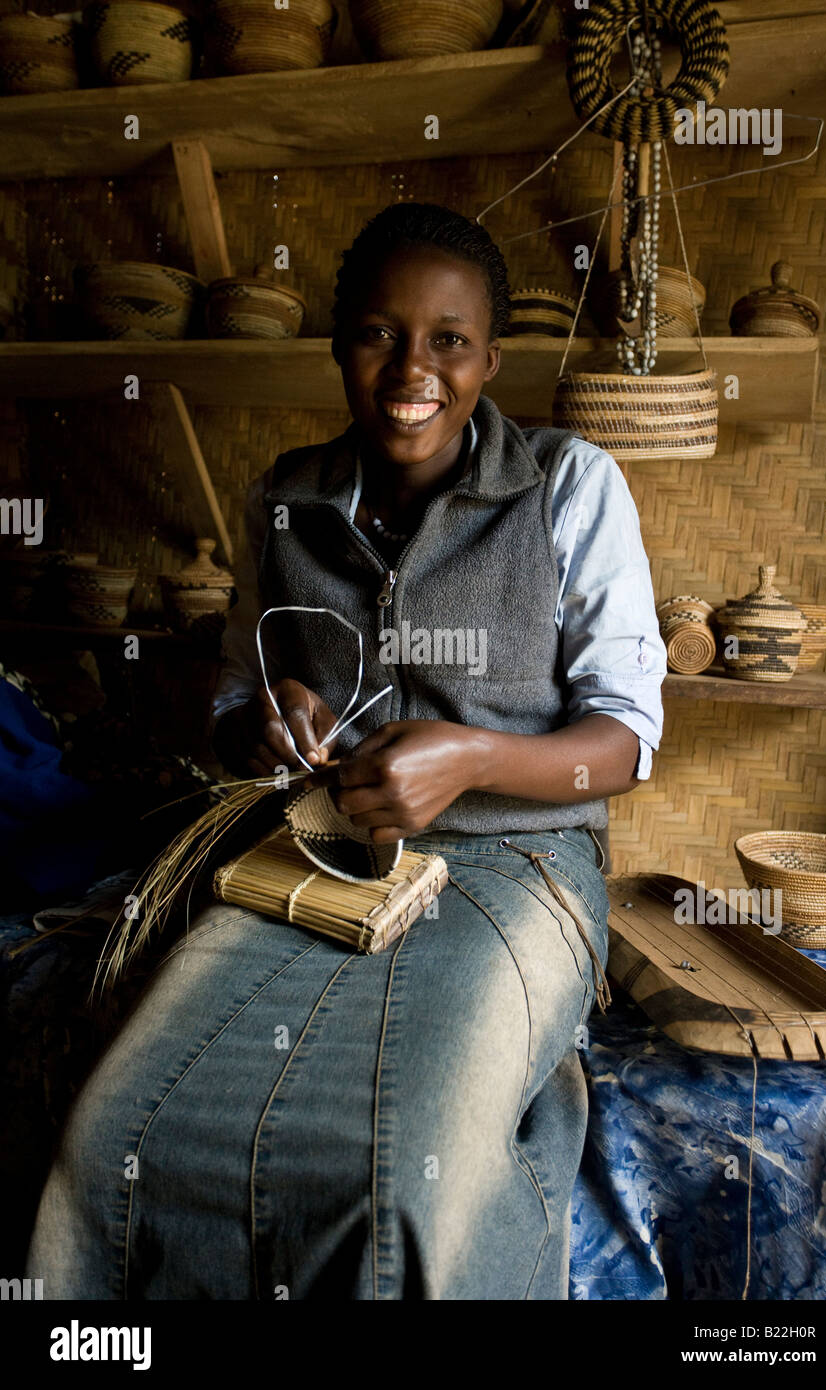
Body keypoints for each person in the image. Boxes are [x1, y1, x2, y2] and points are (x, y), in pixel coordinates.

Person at [27, 202, 665, 1300]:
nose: (412, 368)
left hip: (517, 864)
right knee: (118, 1128)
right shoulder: (284, 501)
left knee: (401, 1181)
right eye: (378, 333)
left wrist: (466, 759)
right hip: (317, 852)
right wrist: (264, 718)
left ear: (488, 360)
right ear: (338, 346)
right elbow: (232, 702)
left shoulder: (567, 485)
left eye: (448, 340)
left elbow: (622, 744)